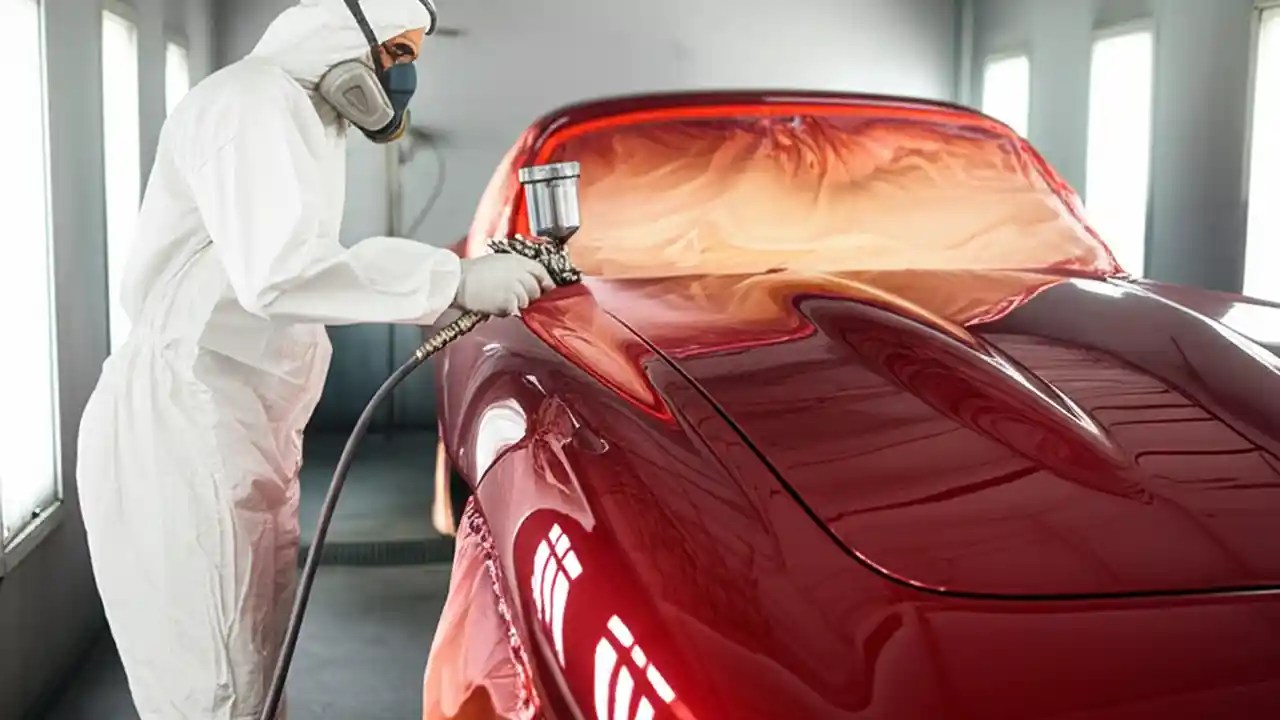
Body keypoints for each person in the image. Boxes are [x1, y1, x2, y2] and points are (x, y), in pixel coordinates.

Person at [75, 1, 550, 717]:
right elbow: (282, 272)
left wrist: (455, 280)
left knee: (253, 672)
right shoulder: (252, 102)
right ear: (344, 37)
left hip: (233, 427)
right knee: (216, 690)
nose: (405, 76)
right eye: (395, 54)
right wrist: (453, 280)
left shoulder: (301, 113)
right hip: (184, 426)